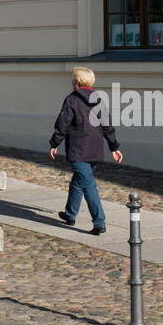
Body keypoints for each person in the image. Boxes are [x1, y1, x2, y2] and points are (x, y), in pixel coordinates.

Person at [49, 65, 122, 235]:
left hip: (78, 149)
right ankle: (70, 214)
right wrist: (114, 146)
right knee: (79, 181)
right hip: (95, 148)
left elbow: (63, 124)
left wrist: (54, 143)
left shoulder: (71, 100)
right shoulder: (99, 99)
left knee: (87, 183)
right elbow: (107, 125)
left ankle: (99, 222)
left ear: (76, 82)